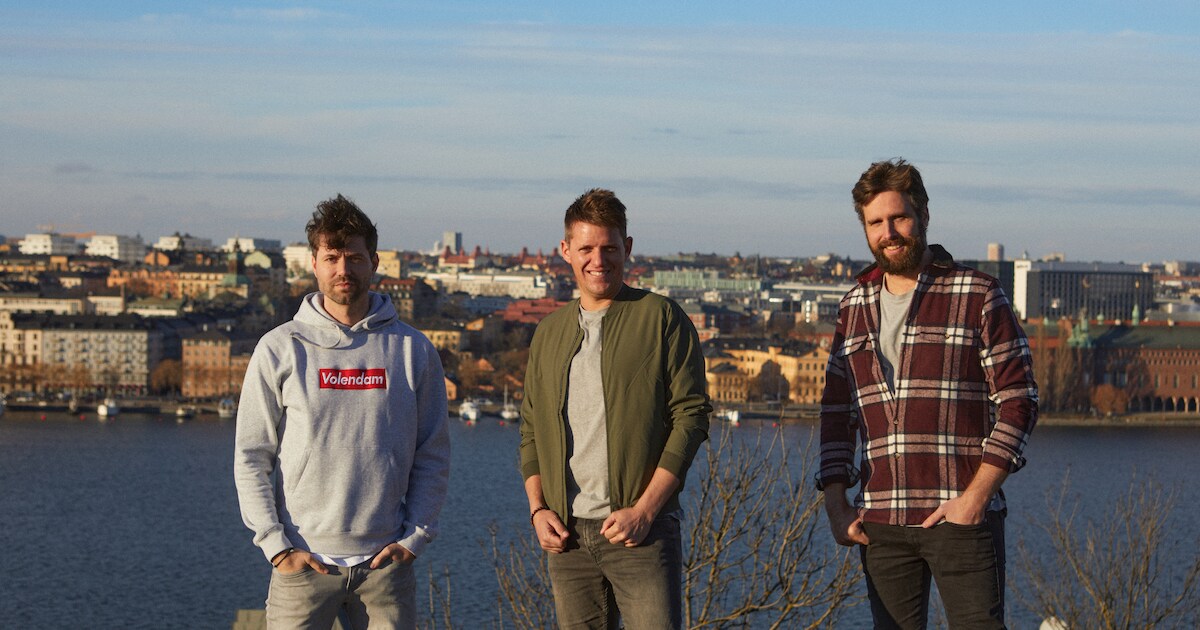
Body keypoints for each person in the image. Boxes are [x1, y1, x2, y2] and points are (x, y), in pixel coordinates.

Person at [817, 159, 1038, 629]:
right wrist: (837, 505)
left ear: (922, 216)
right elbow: (837, 413)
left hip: (960, 516)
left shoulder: (977, 294)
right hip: (881, 523)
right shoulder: (853, 306)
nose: (888, 232)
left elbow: (1019, 400)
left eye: (898, 218)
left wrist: (977, 497)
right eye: (875, 223)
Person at [234, 194, 450, 629]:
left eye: (354, 257)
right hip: (303, 563)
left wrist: (414, 538)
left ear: (373, 261)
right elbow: (252, 456)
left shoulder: (413, 351)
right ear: (313, 262)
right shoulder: (280, 348)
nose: (343, 270)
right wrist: (276, 546)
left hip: (385, 566)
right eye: (331, 257)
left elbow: (433, 455)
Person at [519, 188, 711, 629]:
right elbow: (530, 430)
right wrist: (538, 509)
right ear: (565, 251)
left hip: (641, 535)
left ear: (627, 247)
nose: (598, 260)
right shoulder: (548, 332)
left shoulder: (661, 317)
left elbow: (692, 418)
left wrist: (645, 511)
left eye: (609, 248)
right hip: (565, 539)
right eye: (586, 248)